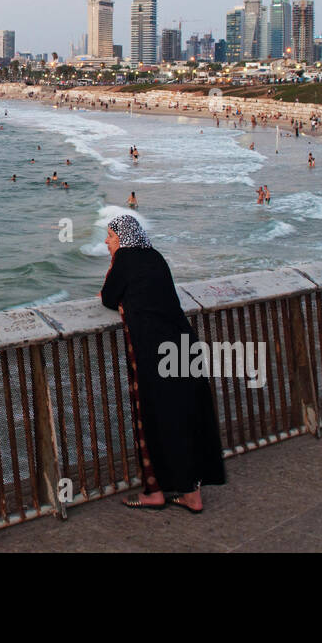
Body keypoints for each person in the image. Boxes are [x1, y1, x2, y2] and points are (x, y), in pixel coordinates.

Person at [99, 215, 226, 512]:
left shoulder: (125, 260)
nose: (107, 242)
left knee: (160, 418)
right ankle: (191, 493)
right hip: (183, 342)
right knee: (188, 414)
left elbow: (108, 297)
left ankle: (155, 493)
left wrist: (113, 267)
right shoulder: (154, 257)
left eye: (110, 237)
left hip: (155, 351)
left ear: (123, 239)